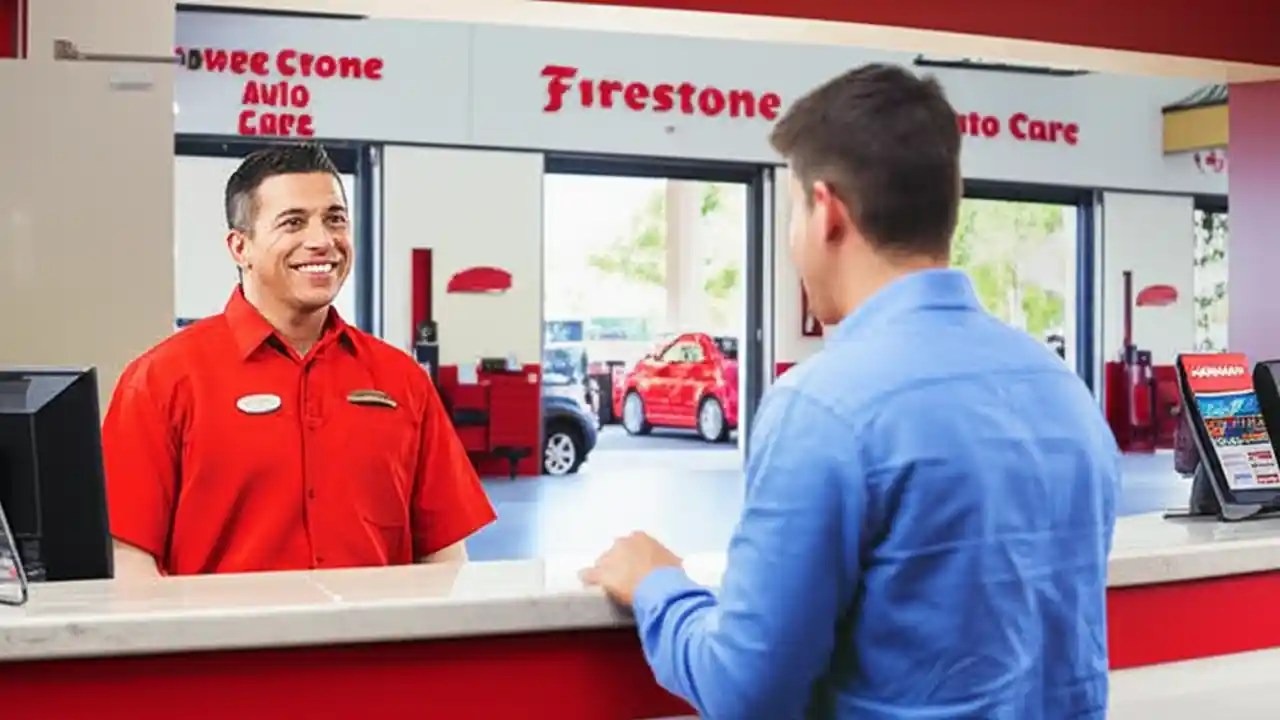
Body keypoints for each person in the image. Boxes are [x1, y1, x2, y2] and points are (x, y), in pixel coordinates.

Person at [582, 64, 1118, 718]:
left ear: (827, 212)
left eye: (791, 212)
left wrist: (657, 586)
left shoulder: (824, 408)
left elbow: (745, 692)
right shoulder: (1064, 391)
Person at [104, 143, 496, 577]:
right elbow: (130, 559)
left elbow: (443, 555)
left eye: (335, 219)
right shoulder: (163, 380)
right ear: (240, 248)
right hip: (225, 644)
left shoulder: (401, 379)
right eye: (293, 222)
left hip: (373, 643)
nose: (321, 241)